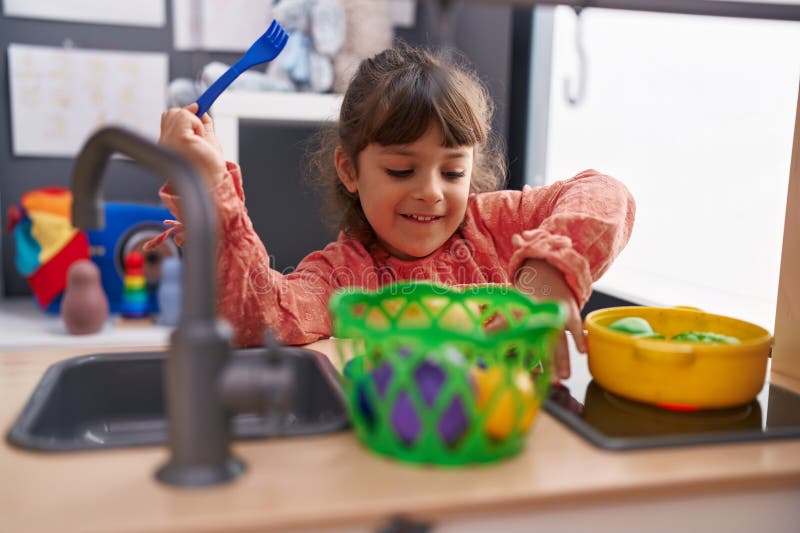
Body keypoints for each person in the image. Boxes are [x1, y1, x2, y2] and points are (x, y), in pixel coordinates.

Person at [149, 44, 635, 380]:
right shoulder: (341, 278)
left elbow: (607, 194)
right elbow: (257, 317)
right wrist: (208, 185)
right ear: (350, 170)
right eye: (402, 170)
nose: (431, 193)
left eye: (452, 172)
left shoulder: (498, 224)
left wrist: (545, 279)